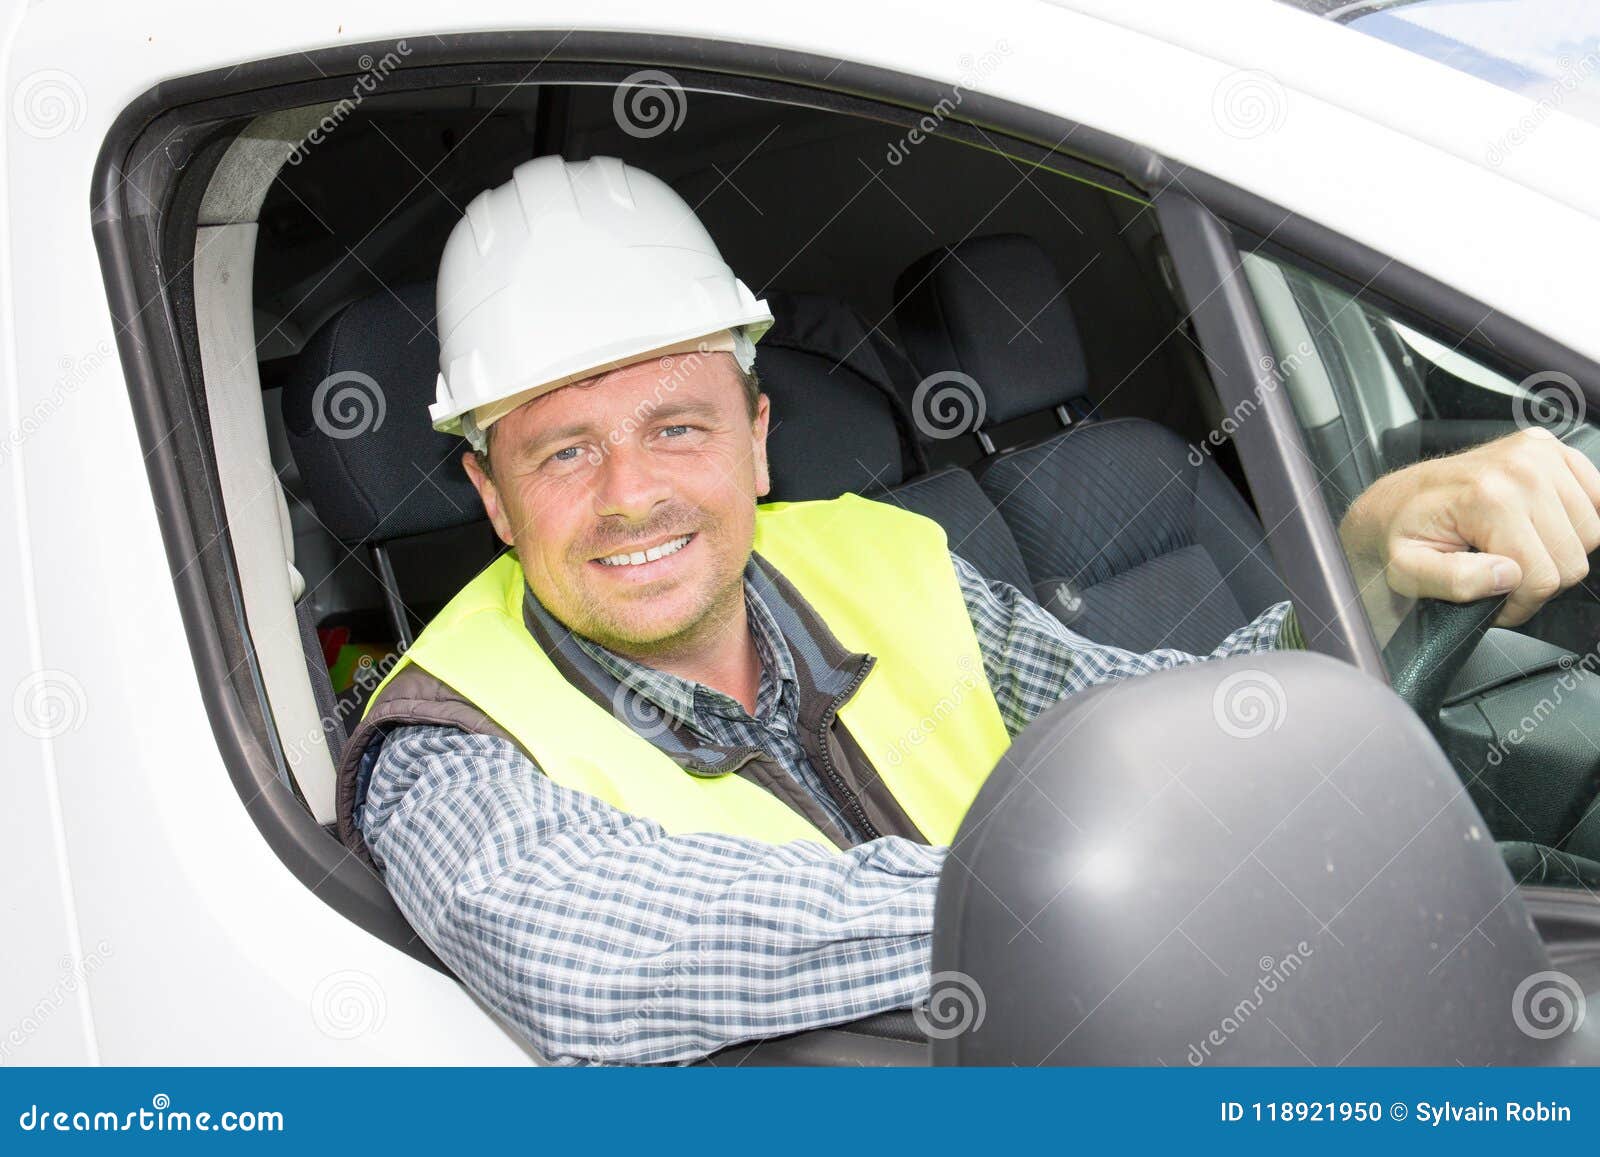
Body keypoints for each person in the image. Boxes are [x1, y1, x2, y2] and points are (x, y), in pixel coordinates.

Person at [335, 155, 1600, 1065]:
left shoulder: (885, 559)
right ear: (491, 496)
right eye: (562, 453)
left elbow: (1168, 733)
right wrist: (1132, 898)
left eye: (677, 427)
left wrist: (1365, 566)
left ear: (758, 440)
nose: (630, 496)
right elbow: (606, 957)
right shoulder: (446, 736)